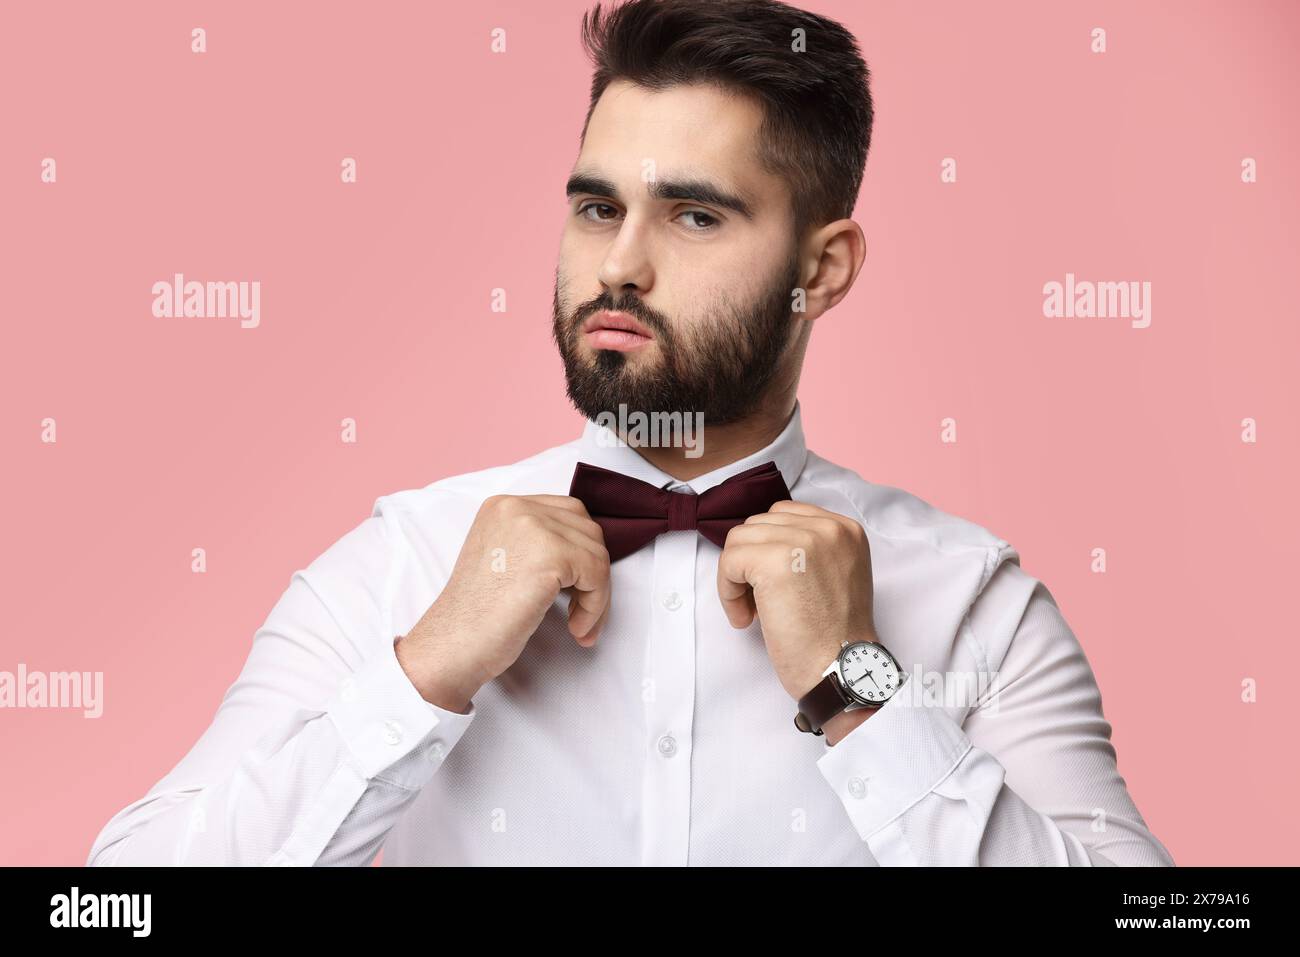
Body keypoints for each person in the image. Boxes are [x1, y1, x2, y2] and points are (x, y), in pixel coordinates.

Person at [87, 0, 1174, 866]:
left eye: (695, 216)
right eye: (597, 208)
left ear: (822, 269)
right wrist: (424, 674)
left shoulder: (972, 601)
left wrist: (859, 687)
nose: (618, 264)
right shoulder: (398, 566)